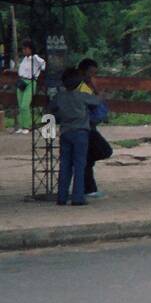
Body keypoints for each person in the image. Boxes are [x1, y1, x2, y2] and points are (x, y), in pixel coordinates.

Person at [49, 68, 103, 206]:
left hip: (65, 132)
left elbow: (50, 108)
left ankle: (62, 197)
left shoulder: (59, 97)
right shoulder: (82, 96)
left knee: (65, 165)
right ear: (79, 82)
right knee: (79, 165)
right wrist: (95, 88)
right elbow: (97, 101)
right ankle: (78, 197)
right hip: (81, 133)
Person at [77, 58, 113, 198]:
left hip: (89, 125)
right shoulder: (83, 88)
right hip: (86, 126)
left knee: (89, 157)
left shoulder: (88, 85)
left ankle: (89, 188)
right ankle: (88, 188)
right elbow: (94, 104)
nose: (91, 77)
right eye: (89, 73)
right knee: (104, 150)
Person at [13, 39, 44, 134]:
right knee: (20, 105)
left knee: (25, 105)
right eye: (23, 49)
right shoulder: (24, 59)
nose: (24, 51)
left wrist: (35, 57)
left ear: (30, 49)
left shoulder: (35, 58)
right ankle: (22, 125)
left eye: (26, 49)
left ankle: (27, 126)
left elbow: (43, 65)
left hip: (30, 82)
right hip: (21, 81)